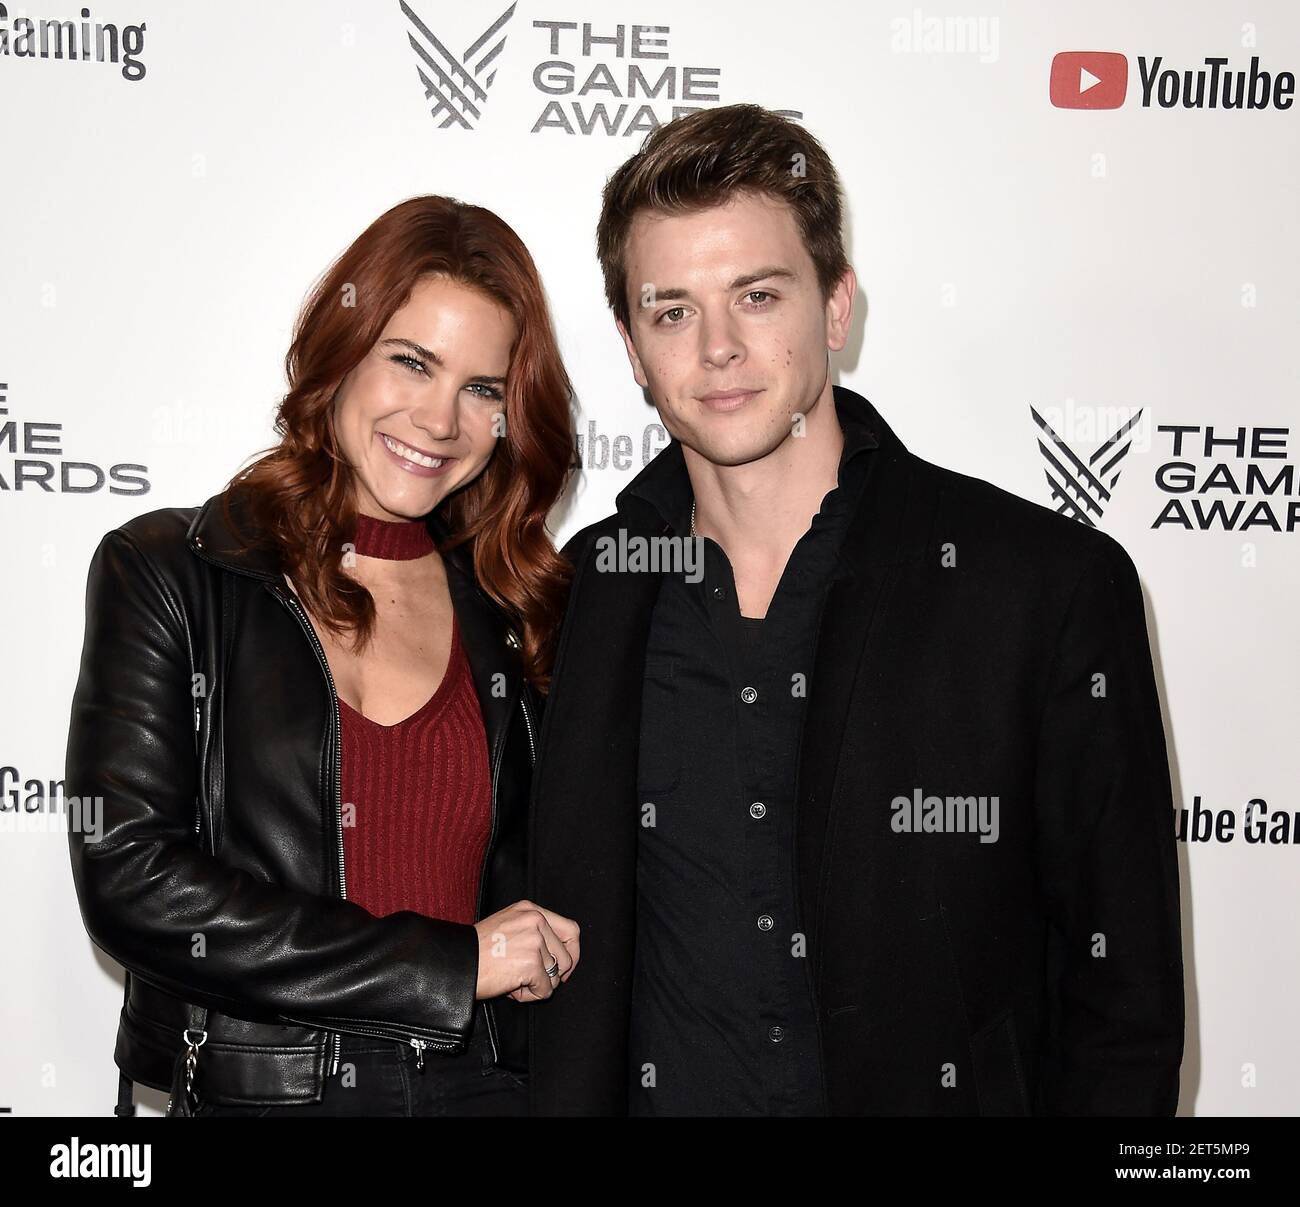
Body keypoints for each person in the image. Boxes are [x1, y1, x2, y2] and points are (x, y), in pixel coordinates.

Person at [528, 104, 1185, 1116]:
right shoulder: (581, 594)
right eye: (671, 311)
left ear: (835, 307)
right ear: (628, 344)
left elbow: (1124, 998)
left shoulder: (1040, 585)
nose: (717, 349)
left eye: (756, 295)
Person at [65, 194, 581, 1117]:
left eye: (482, 388)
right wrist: (448, 963)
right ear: (342, 356)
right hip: (260, 1093)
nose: (438, 419)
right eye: (411, 362)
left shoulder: (516, 605)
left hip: (483, 1091)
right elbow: (132, 879)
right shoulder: (174, 574)